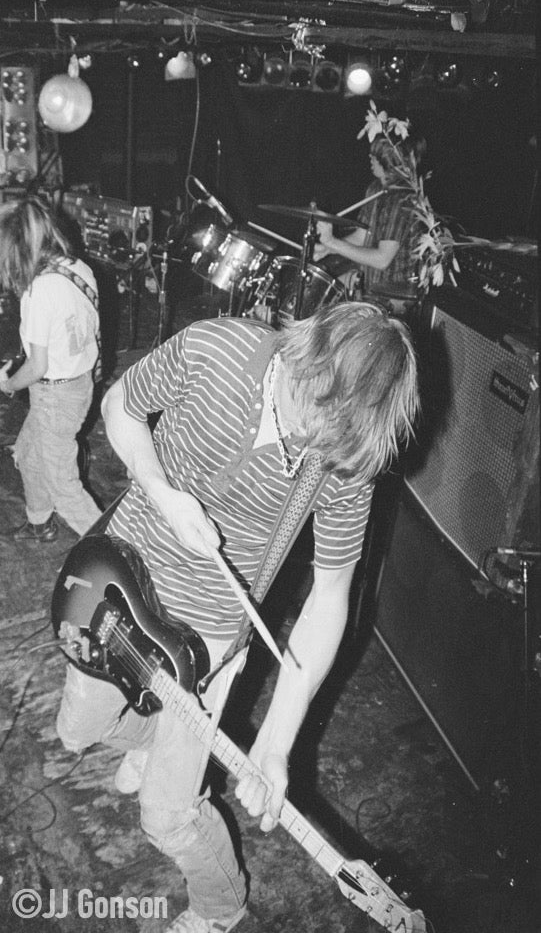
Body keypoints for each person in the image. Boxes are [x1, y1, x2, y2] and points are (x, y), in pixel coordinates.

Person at [55, 304, 419, 932]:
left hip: (209, 636)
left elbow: (330, 596)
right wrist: (166, 495)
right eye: (313, 421)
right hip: (117, 583)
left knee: (167, 818)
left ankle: (220, 909)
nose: (310, 446)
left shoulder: (341, 462)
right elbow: (120, 407)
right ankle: (153, 734)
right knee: (76, 731)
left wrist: (276, 743)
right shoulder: (215, 351)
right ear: (308, 361)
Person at [0, 197, 101, 542]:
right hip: (78, 384)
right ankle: (39, 522)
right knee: (29, 455)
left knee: (65, 488)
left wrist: (8, 384)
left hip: (53, 394)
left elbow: (37, 366)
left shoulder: (38, 291)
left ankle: (122, 555)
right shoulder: (76, 267)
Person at [314, 132, 424, 310]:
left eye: (375, 153)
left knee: (330, 314)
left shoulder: (403, 199)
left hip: (391, 295)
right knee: (317, 294)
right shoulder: (376, 189)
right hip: (367, 283)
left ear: (389, 158)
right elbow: (361, 237)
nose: (370, 157)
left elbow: (382, 259)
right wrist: (327, 248)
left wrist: (333, 242)